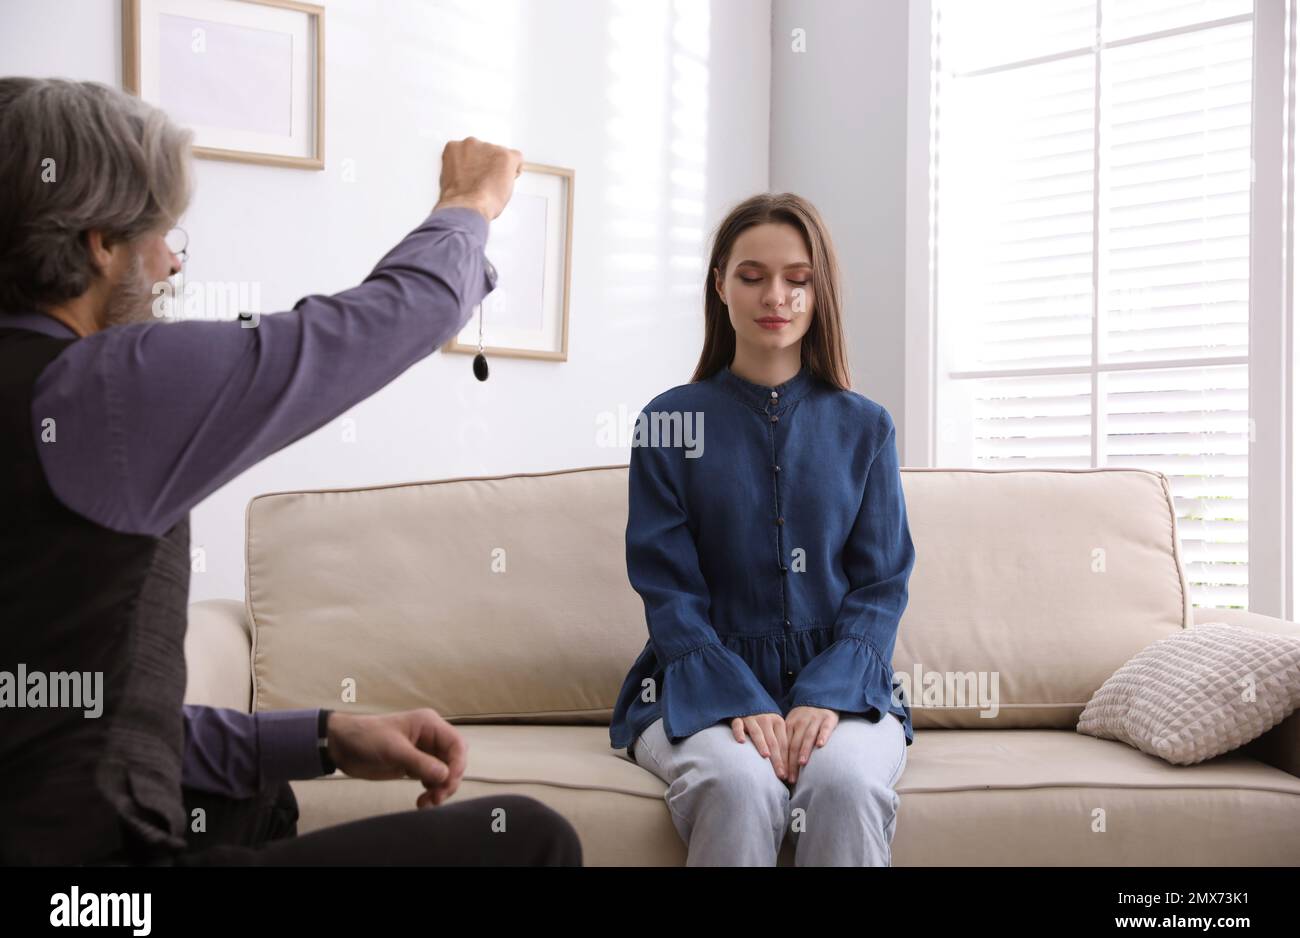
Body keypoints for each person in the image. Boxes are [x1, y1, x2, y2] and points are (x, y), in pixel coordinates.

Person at [0, 76, 581, 866]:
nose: (171, 264)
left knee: (253, 794)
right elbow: (372, 325)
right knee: (529, 840)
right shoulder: (94, 390)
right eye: (165, 234)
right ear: (101, 241)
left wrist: (323, 737)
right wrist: (468, 203)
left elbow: (66, 711)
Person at [608, 193, 916, 866]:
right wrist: (734, 696)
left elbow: (882, 585)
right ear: (720, 283)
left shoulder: (867, 427)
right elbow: (667, 589)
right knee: (739, 783)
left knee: (842, 782)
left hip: (847, 689)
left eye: (797, 279)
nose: (774, 295)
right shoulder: (668, 424)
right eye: (751, 276)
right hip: (695, 687)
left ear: (818, 290)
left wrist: (825, 696)